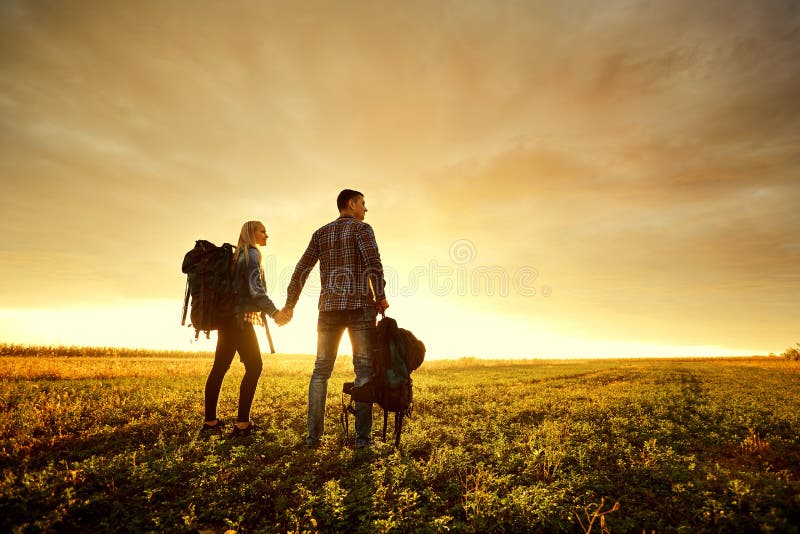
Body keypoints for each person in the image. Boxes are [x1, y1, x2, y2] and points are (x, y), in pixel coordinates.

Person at [281, 189, 389, 449]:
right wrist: (381, 295)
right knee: (363, 370)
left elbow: (301, 269)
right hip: (360, 306)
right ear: (351, 204)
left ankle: (313, 438)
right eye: (363, 203)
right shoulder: (362, 229)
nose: (366, 208)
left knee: (320, 371)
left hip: (328, 309)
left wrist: (290, 305)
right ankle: (363, 440)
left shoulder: (320, 233)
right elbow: (373, 263)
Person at [202, 220, 288, 437]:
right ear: (251, 233)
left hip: (227, 319)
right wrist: (274, 312)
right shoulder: (252, 254)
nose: (266, 235)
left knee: (219, 368)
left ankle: (210, 423)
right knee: (255, 366)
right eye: (262, 231)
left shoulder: (236, 255)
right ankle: (242, 425)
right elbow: (256, 290)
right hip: (240, 321)